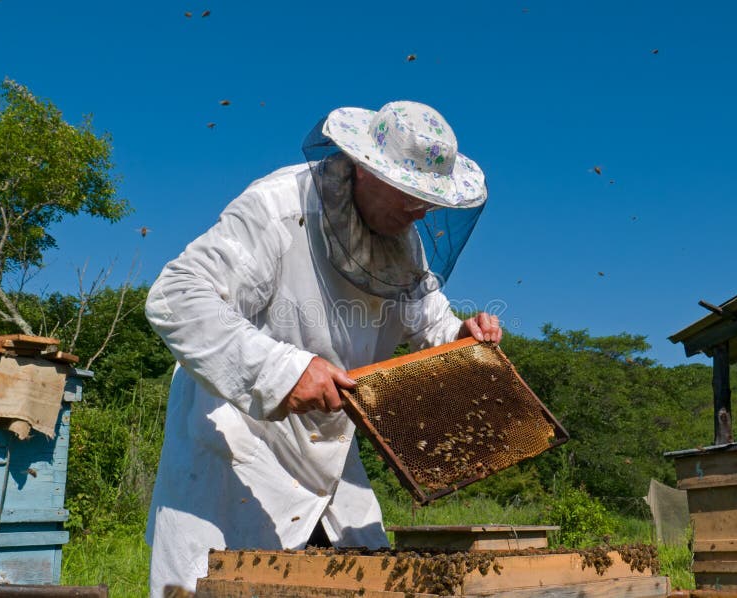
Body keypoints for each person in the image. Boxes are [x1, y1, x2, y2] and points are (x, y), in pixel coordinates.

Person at [144, 100, 502, 596]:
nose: (420, 209)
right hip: (241, 450)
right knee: (220, 586)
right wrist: (282, 370)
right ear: (362, 168)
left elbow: (429, 320)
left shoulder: (405, 242)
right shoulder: (277, 208)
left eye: (430, 198)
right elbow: (176, 296)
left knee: (369, 580)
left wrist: (461, 339)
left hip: (331, 459)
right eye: (408, 192)